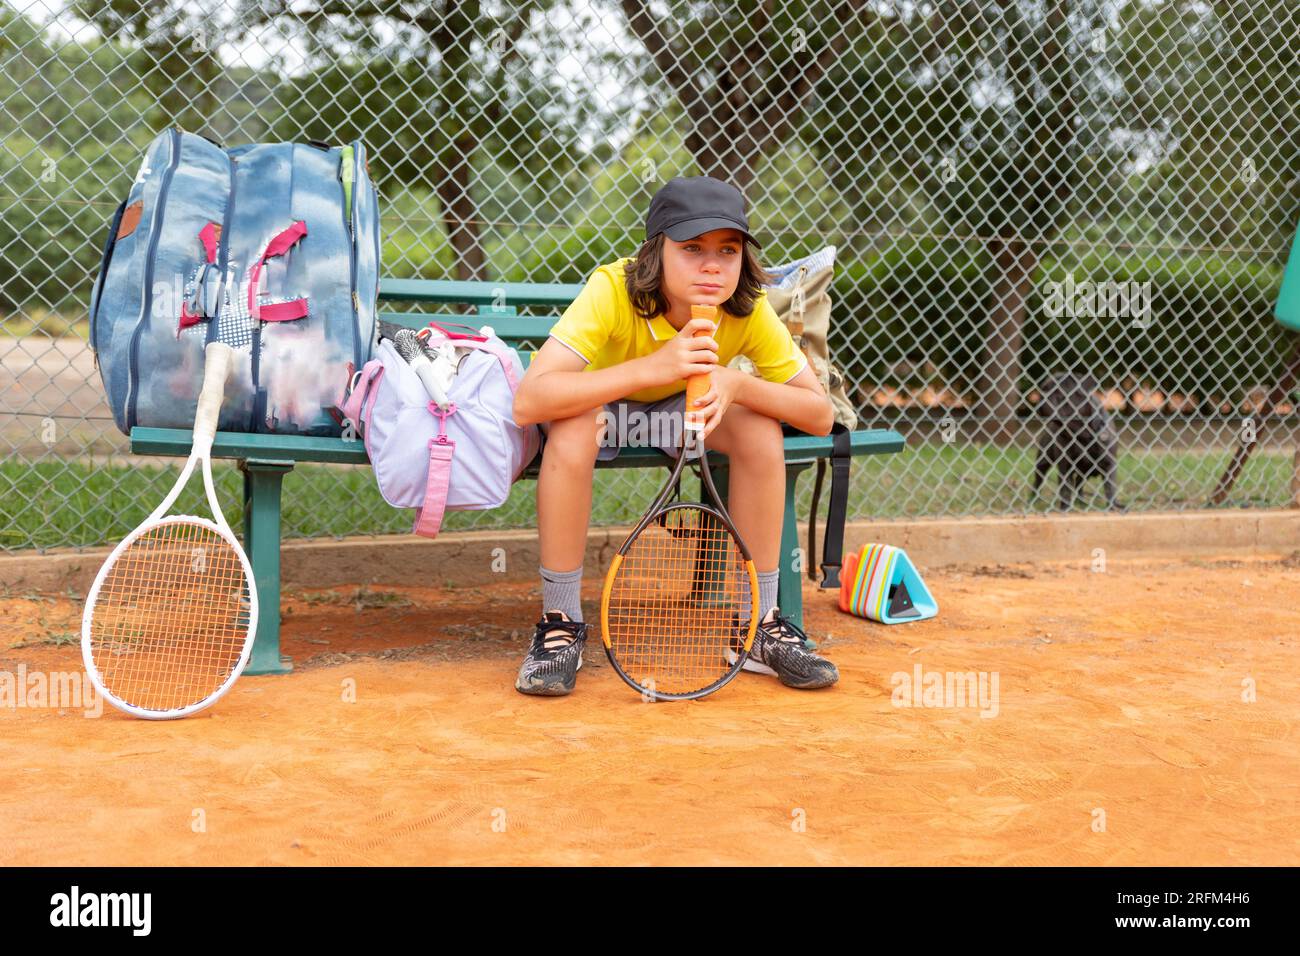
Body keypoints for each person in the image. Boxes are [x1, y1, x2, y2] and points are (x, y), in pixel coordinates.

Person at [511, 175, 839, 695]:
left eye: (727, 251)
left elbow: (818, 415)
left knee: (759, 428)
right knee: (574, 427)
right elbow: (531, 400)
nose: (712, 265)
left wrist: (735, 383)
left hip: (678, 414)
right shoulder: (613, 290)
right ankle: (560, 623)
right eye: (691, 249)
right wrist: (651, 367)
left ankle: (756, 625)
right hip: (601, 406)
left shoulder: (745, 308)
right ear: (655, 253)